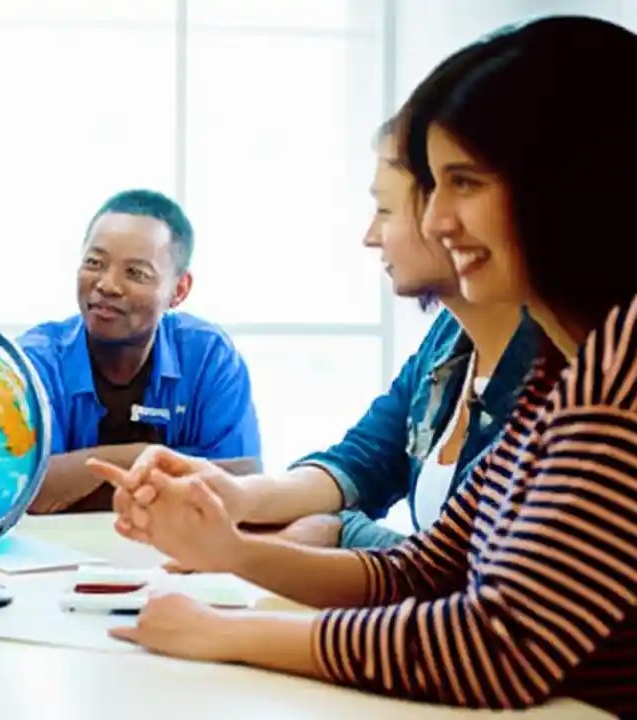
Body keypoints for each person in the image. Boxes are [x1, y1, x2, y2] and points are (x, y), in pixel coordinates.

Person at [98, 16, 637, 714]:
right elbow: (428, 567)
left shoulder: (616, 373)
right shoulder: (559, 375)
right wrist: (228, 548)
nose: (438, 220)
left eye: (462, 184)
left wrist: (228, 632)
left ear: (564, 183)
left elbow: (496, 647)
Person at [168, 117, 540, 553]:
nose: (370, 236)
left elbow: (467, 571)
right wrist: (238, 497)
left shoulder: (562, 372)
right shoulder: (449, 337)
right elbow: (366, 459)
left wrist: (341, 533)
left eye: (385, 210)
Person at [18, 189, 260, 514]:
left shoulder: (209, 358)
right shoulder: (36, 361)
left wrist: (77, 476)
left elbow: (242, 484)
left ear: (179, 290)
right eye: (94, 262)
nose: (107, 285)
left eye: (135, 273)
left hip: (180, 554)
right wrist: (145, 456)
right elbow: (30, 492)